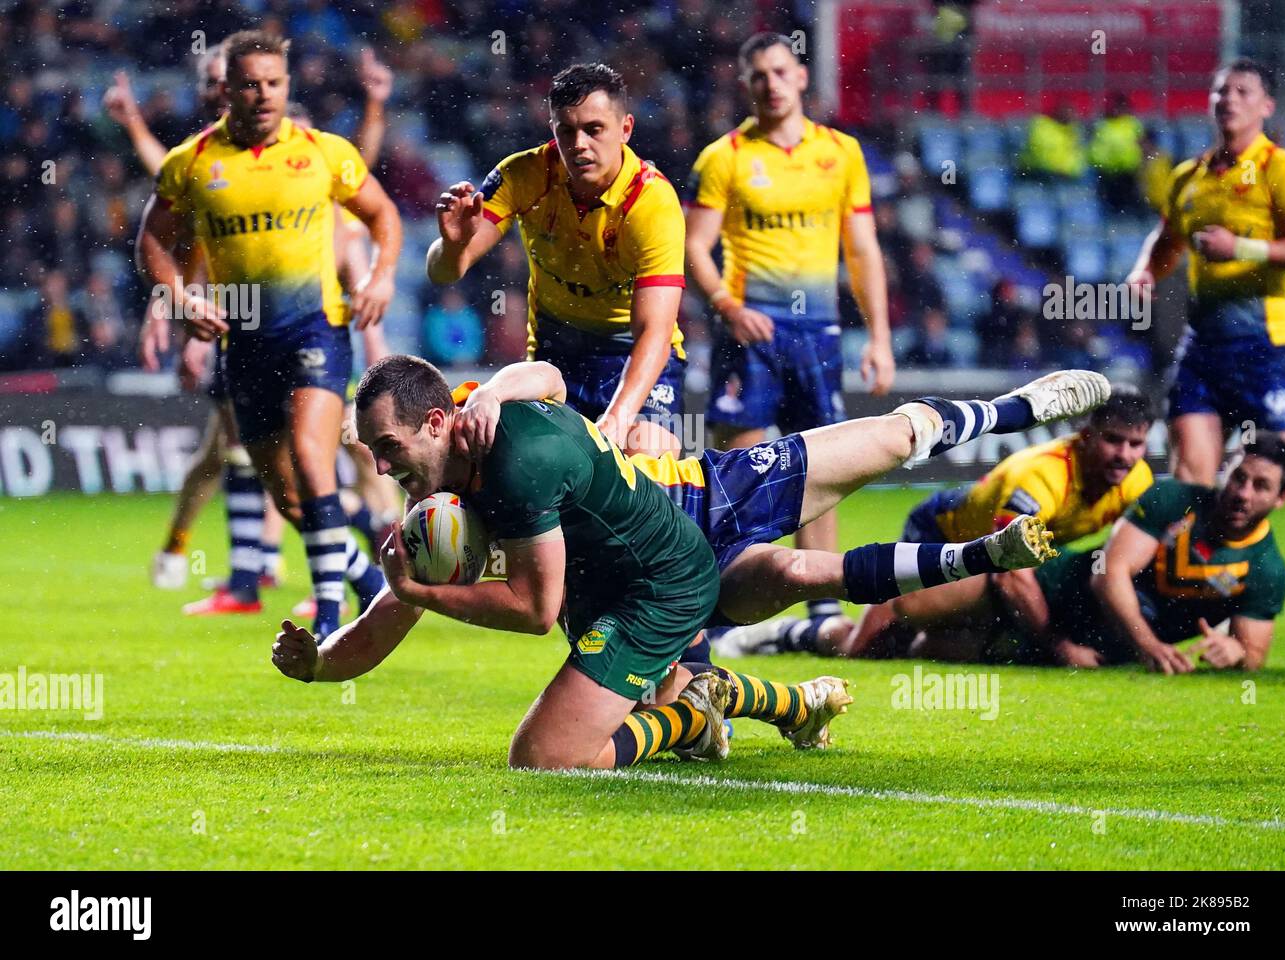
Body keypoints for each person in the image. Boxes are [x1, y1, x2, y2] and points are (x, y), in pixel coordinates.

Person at [274, 355, 857, 769]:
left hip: (653, 579)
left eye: (387, 447)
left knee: (549, 756)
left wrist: (493, 392)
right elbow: (386, 614)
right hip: (600, 588)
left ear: (435, 424)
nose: (378, 468)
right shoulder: (433, 498)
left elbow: (532, 609)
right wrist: (319, 664)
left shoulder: (503, 448)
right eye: (372, 451)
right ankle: (794, 703)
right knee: (662, 694)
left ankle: (698, 720)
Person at [447, 362, 1112, 631]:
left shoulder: (477, 423)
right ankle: (973, 557)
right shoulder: (445, 513)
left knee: (892, 437)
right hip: (646, 587)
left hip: (716, 496)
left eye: (390, 449)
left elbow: (547, 377)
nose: (392, 468)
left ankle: (1013, 409)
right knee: (798, 573)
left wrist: (489, 392)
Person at [135, 30, 401, 639]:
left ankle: (331, 623)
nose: (263, 95)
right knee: (284, 494)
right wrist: (178, 299)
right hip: (244, 339)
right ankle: (366, 578)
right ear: (226, 88)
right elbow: (152, 238)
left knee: (314, 460)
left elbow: (382, 213)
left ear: (288, 86)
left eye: (274, 83)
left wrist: (382, 278)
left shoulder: (321, 152)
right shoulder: (195, 162)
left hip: (316, 329)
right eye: (250, 84)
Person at [684, 31, 895, 628]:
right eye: (758, 76)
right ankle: (713, 605)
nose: (771, 84)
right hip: (749, 331)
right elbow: (693, 246)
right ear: (746, 85)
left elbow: (862, 250)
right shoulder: (722, 157)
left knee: (822, 463)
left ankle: (823, 605)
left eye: (780, 72)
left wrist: (878, 336)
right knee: (738, 470)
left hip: (819, 333)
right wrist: (726, 305)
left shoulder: (841, 154)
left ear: (801, 77)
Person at [715, 384, 1154, 658]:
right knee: (867, 649)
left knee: (944, 648)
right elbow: (1010, 573)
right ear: (1086, 433)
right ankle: (791, 634)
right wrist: (1059, 647)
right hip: (943, 534)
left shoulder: (1138, 480)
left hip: (992, 562)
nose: (1125, 455)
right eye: (1113, 440)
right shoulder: (1039, 476)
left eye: (1136, 444)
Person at [426, 62, 686, 457]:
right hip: (555, 353)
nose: (579, 143)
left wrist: (617, 418)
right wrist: (454, 245)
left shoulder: (652, 202)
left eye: (594, 129)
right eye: (567, 130)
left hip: (631, 351)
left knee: (646, 457)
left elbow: (655, 329)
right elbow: (443, 273)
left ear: (626, 129)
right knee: (525, 470)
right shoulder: (522, 175)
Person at [886, 436, 1285, 672]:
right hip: (1053, 589)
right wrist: (1149, 647)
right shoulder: (1174, 499)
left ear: (1280, 499)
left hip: (1095, 647)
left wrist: (1236, 652)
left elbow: (1253, 652)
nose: (1242, 492)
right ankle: (830, 628)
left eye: (1260, 486)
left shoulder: (1268, 569)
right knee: (905, 606)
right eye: (1238, 477)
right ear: (1226, 471)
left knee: (923, 650)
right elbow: (1108, 574)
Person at [1127, 59, 1285, 501]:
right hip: (1202, 346)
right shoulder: (1188, 176)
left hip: (1265, 343)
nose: (1229, 99)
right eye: (1221, 90)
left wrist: (1240, 249)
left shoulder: (1280, 169)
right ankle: (1196, 570)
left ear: (1266, 106)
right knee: (1191, 482)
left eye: (1243, 91)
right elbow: (1167, 240)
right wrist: (1145, 269)